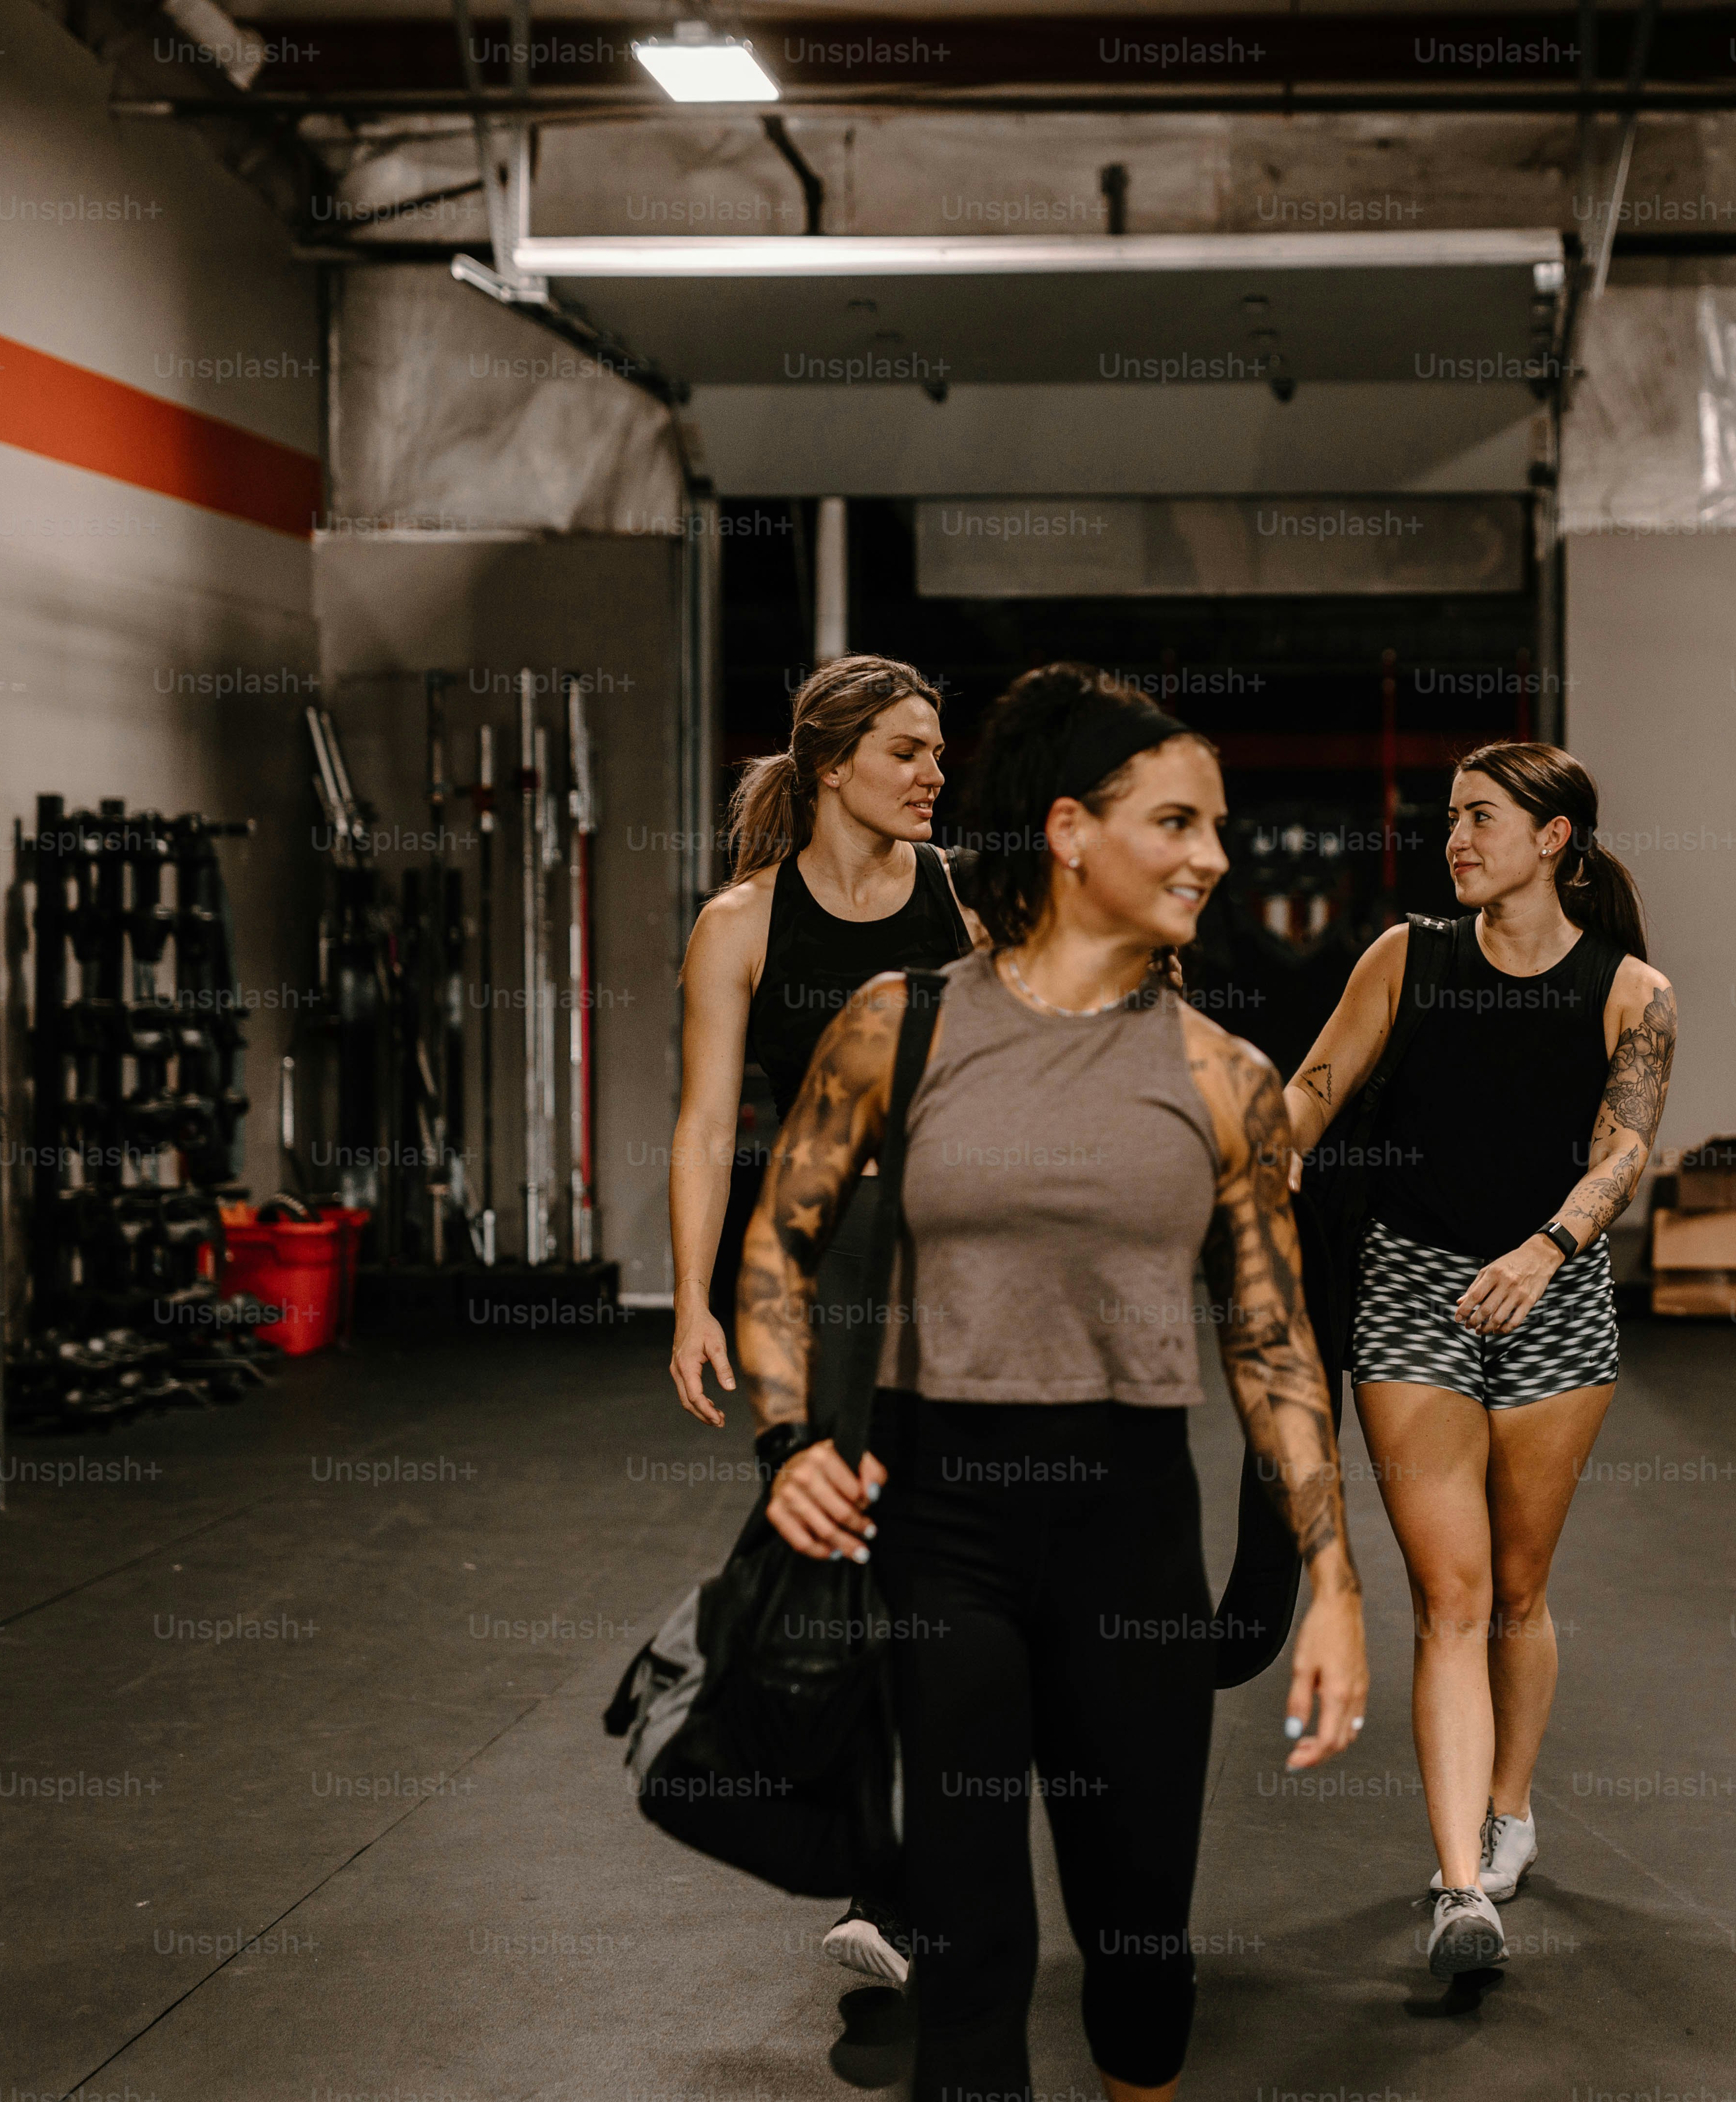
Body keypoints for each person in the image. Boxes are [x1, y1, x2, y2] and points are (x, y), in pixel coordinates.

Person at [735, 663, 1370, 2102]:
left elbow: (1271, 1339)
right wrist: (786, 1440)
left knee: (1140, 1949)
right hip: (939, 1515)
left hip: (1130, 1525)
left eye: (1219, 825)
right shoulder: (901, 1026)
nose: (1215, 855)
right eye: (1180, 822)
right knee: (970, 1945)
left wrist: (1329, 1576)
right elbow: (780, 1232)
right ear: (1074, 831)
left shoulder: (1224, 1078)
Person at [1281, 741, 1676, 1977]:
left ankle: (1510, 1808)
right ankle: (1461, 1888)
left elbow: (1622, 1156)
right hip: (1411, 1292)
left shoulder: (1633, 993)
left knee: (1515, 1590)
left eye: (1480, 818)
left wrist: (1545, 1251)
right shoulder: (1406, 958)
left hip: (1552, 1302)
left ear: (1552, 839)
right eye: (1449, 819)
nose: (1454, 839)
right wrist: (1254, 1159)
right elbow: (1309, 1093)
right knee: (1446, 1601)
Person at [664, 651, 980, 1984]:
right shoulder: (740, 921)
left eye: (939, 751)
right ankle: (878, 1877)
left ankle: (924, 1873)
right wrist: (691, 1300)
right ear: (834, 763)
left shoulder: (960, 900)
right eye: (908, 750)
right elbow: (701, 1128)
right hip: (818, 1273)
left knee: (939, 1563)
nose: (933, 772)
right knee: (841, 1556)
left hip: (947, 1268)